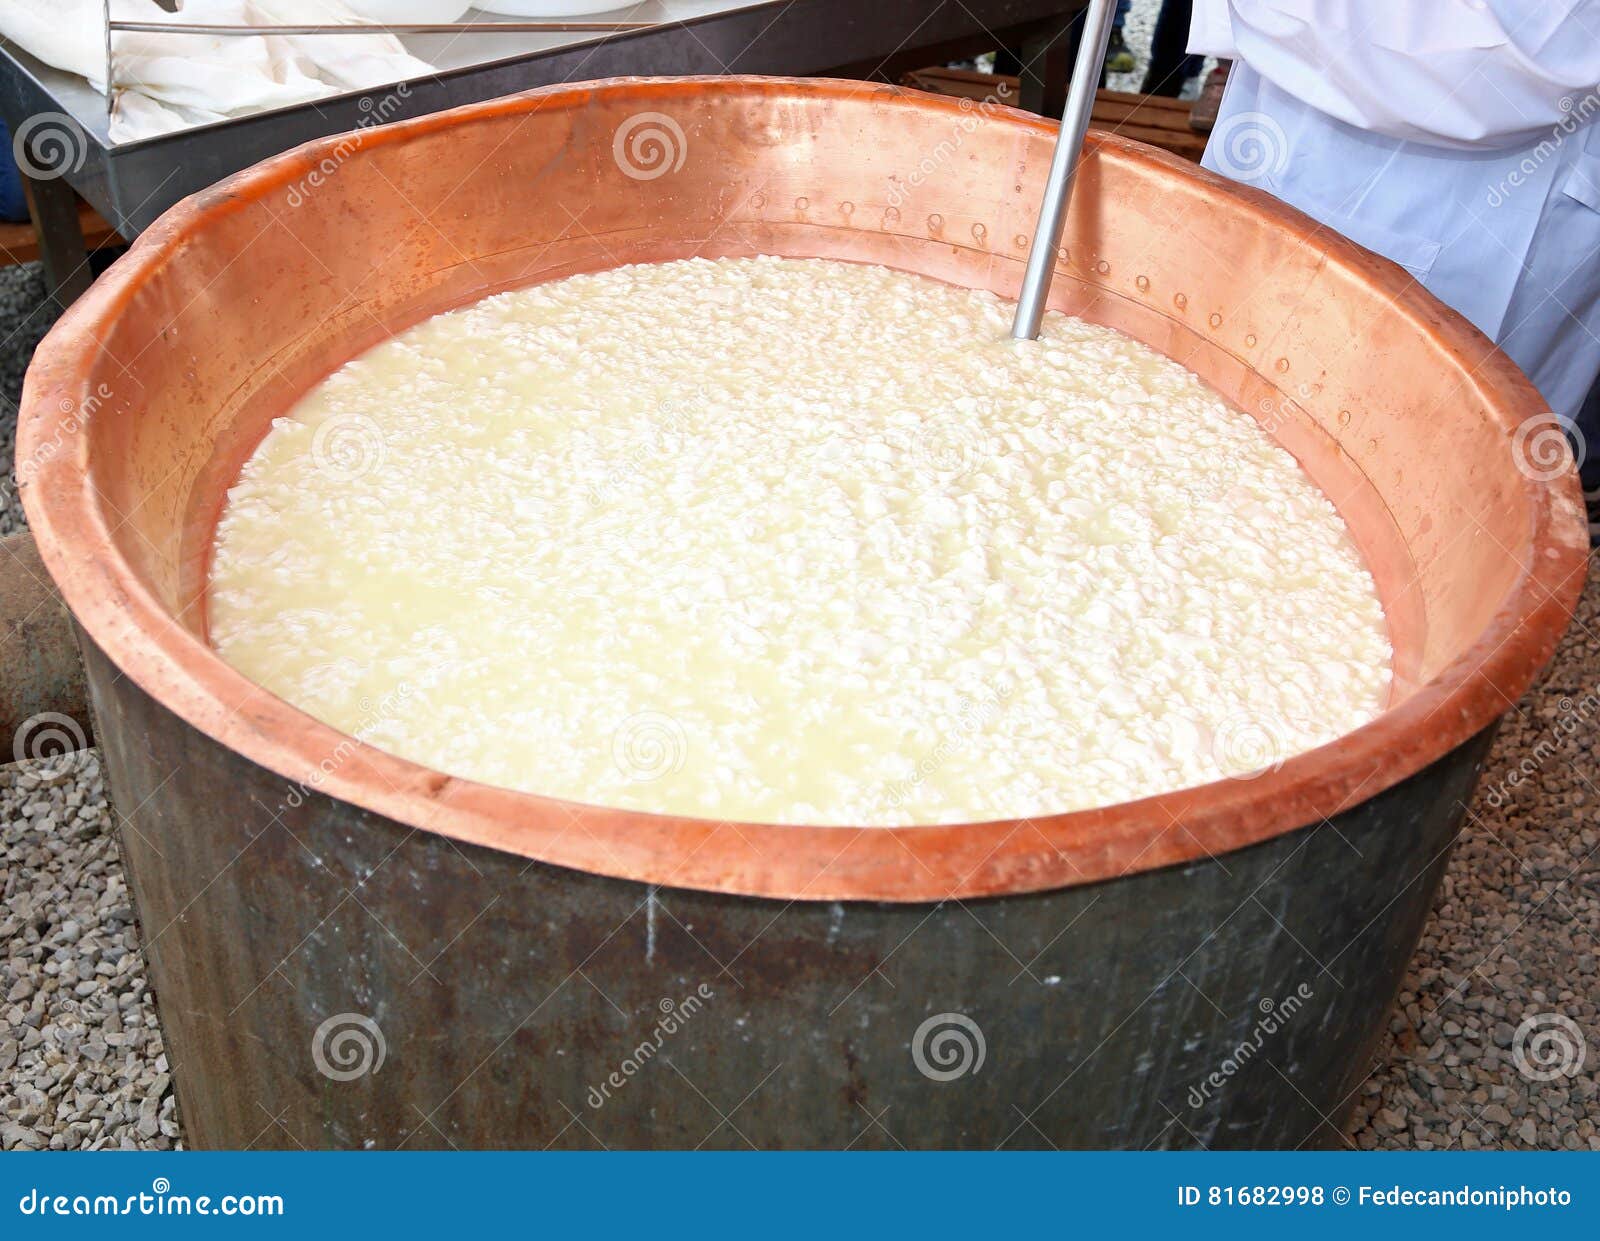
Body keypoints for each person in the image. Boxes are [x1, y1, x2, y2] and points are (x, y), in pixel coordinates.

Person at [1189, 0, 1600, 530]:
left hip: (1486, 195)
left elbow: (1529, 50)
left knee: (1414, 502)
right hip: (1286, 127)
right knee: (1215, 428)